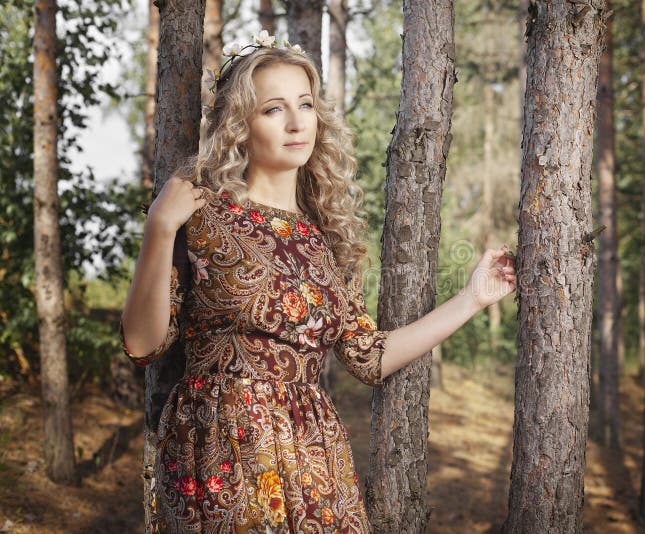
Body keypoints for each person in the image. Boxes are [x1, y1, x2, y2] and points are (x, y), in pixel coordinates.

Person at [120, 31, 516, 534]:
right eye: (272, 109)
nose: (295, 122)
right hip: (222, 451)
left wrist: (473, 297)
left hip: (315, 459)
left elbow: (368, 358)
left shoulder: (325, 240)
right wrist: (159, 227)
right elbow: (143, 344)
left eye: (305, 104)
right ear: (239, 124)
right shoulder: (199, 216)